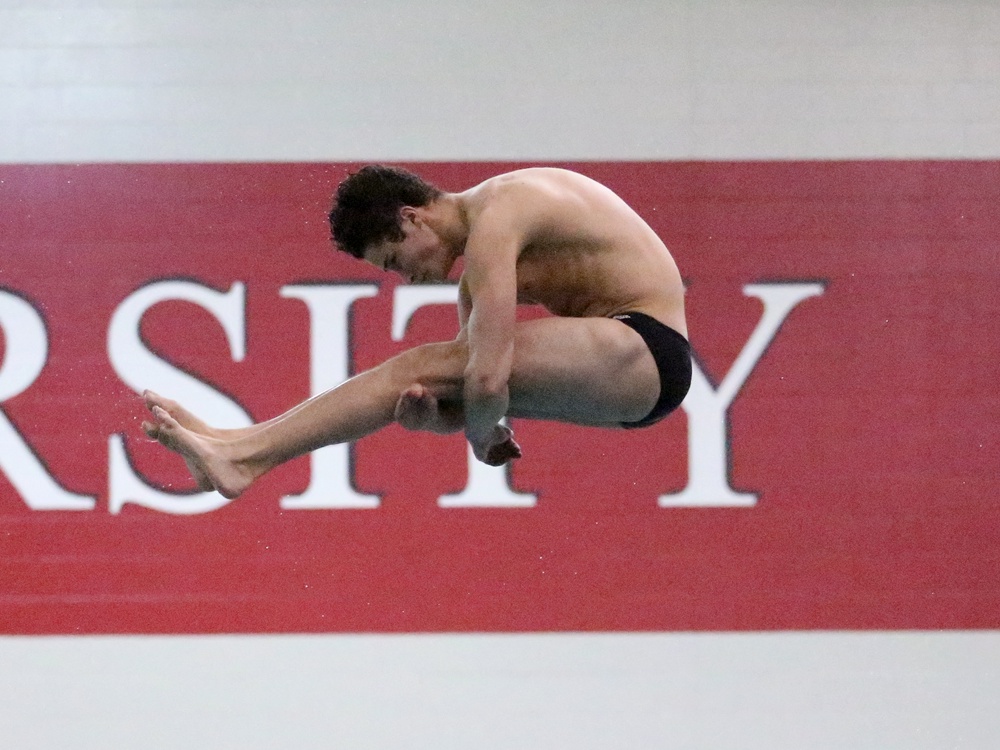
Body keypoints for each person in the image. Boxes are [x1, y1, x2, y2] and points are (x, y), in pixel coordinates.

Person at [142, 165, 691, 498]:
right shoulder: (476, 277)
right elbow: (476, 394)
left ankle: (244, 455)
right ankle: (232, 445)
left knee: (419, 365)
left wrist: (479, 433)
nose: (403, 279)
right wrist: (438, 420)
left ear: (413, 218)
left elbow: (486, 388)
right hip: (630, 374)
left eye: (393, 260)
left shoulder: (502, 215)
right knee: (428, 375)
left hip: (647, 347)